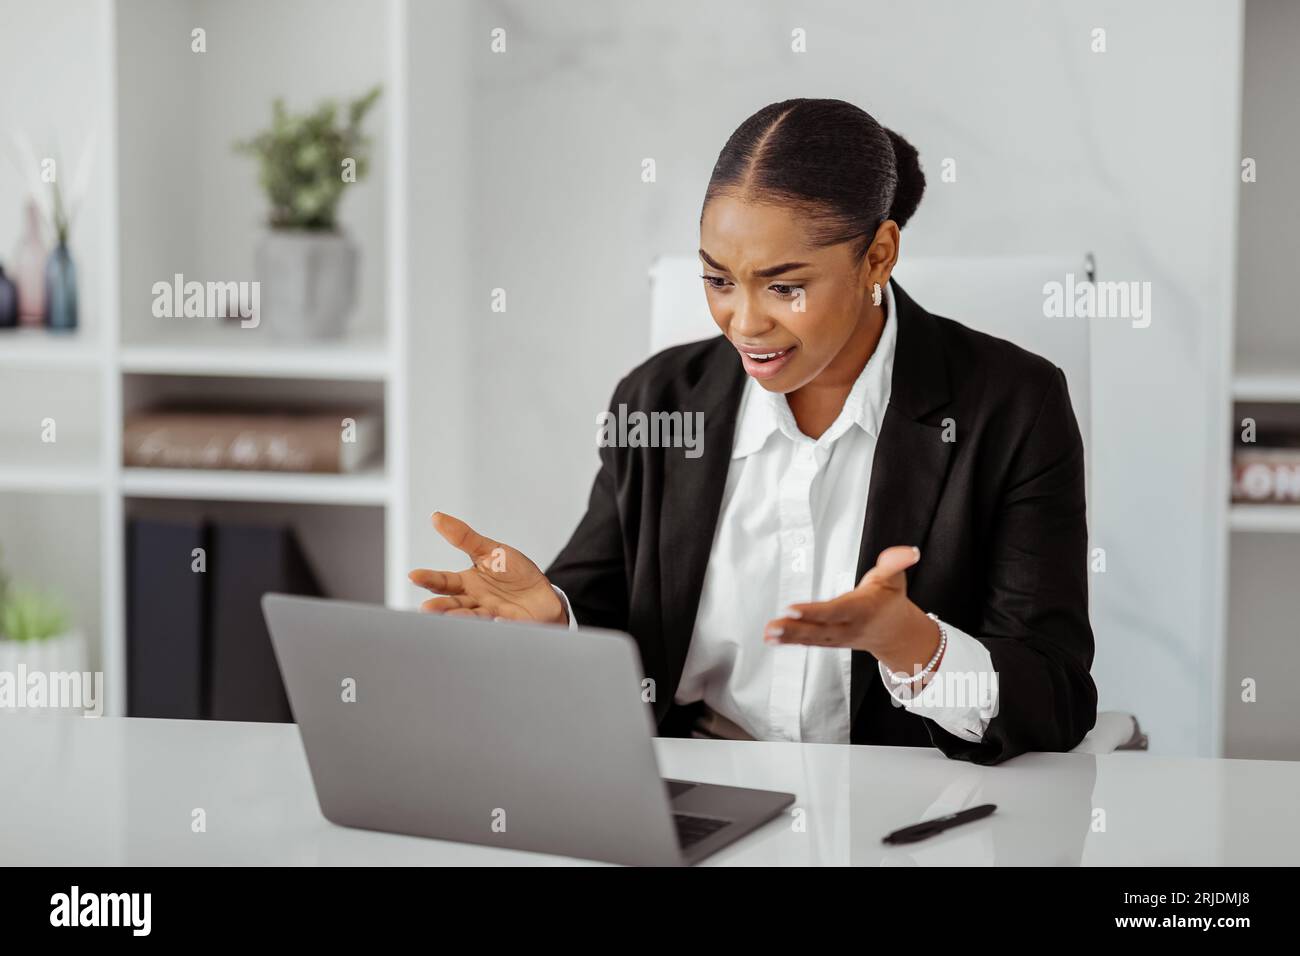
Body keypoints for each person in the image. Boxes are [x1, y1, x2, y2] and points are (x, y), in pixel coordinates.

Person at [410, 98, 1097, 766]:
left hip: (905, 810)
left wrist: (912, 644)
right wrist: (557, 622)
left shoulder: (1011, 406)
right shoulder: (655, 401)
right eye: (717, 279)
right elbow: (609, 617)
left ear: (879, 256)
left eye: (784, 287)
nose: (744, 322)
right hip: (693, 788)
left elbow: (1056, 695)